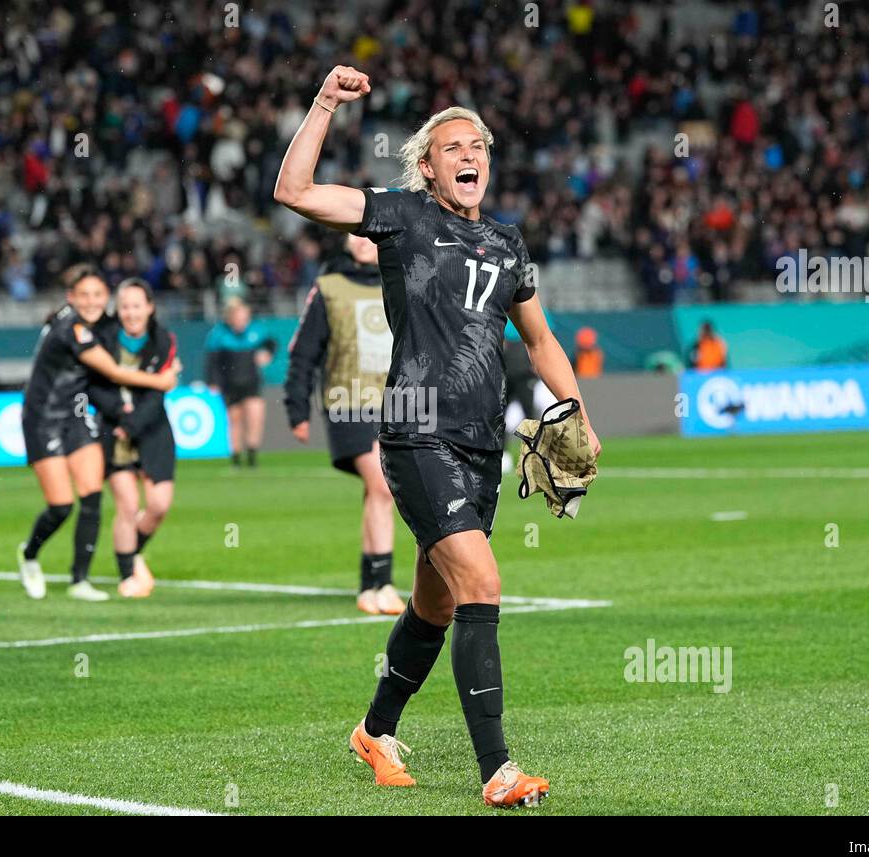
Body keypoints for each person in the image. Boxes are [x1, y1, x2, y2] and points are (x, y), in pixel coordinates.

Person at [274, 66, 601, 808]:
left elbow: (541, 338)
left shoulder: (508, 242)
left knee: (437, 603)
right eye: (454, 145)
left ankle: (373, 729)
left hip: (482, 442)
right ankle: (499, 769)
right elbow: (293, 192)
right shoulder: (402, 216)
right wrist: (325, 103)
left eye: (479, 144)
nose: (471, 153)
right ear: (428, 166)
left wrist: (576, 408)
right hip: (416, 432)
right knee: (482, 584)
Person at [16, 267, 178, 602]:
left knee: (91, 495)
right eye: (84, 296)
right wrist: (162, 380)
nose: (92, 302)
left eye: (98, 296)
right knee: (61, 506)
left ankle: (80, 580)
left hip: (76, 419)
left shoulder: (100, 326)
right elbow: (115, 371)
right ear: (71, 297)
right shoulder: (70, 328)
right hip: (43, 419)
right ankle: (29, 554)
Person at [284, 233, 405, 616]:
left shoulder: (401, 278)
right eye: (358, 232)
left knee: (378, 492)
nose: (366, 240)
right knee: (383, 486)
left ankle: (368, 585)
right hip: (347, 402)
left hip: (398, 403)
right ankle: (384, 582)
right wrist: (296, 408)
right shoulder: (329, 287)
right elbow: (304, 351)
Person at [86, 278, 182, 599]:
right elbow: (95, 386)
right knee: (128, 505)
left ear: (150, 308)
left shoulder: (164, 340)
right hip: (113, 429)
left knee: (159, 505)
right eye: (125, 306)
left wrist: (132, 423)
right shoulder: (103, 338)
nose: (131, 312)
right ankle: (128, 575)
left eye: (137, 305)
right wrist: (119, 416)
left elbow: (158, 395)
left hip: (151, 428)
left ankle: (133, 551)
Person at [205, 297, 276, 467]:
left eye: (244, 317)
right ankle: (235, 457)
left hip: (251, 382)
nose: (241, 321)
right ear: (230, 317)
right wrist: (212, 382)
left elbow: (271, 343)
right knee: (234, 420)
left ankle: (252, 455)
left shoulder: (256, 331)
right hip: (229, 384)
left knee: (255, 417)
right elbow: (212, 362)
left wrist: (267, 353)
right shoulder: (219, 334)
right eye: (237, 316)